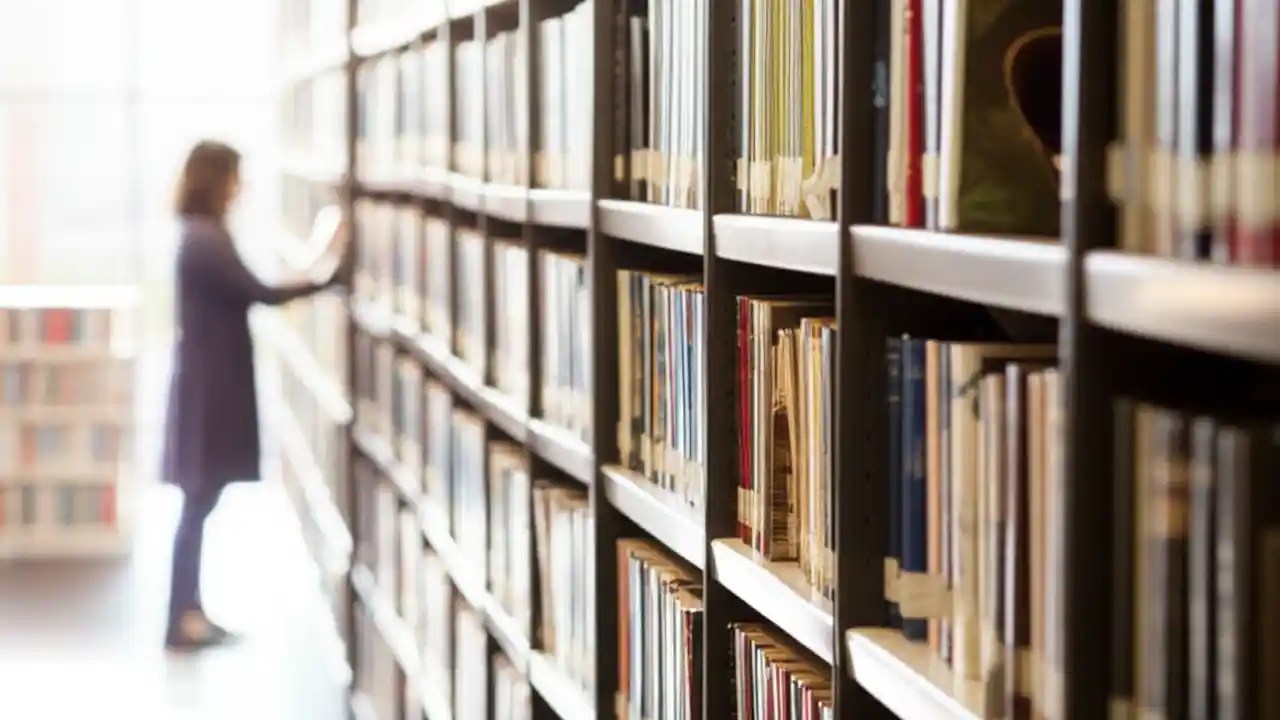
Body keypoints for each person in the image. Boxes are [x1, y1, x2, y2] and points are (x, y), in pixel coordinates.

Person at [161, 140, 346, 650]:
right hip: (209, 393)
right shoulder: (205, 240)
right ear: (217, 179)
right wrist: (326, 272)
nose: (240, 188)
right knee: (197, 504)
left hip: (208, 386)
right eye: (235, 177)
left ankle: (189, 610)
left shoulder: (201, 235)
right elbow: (262, 292)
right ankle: (181, 616)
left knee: (199, 504)